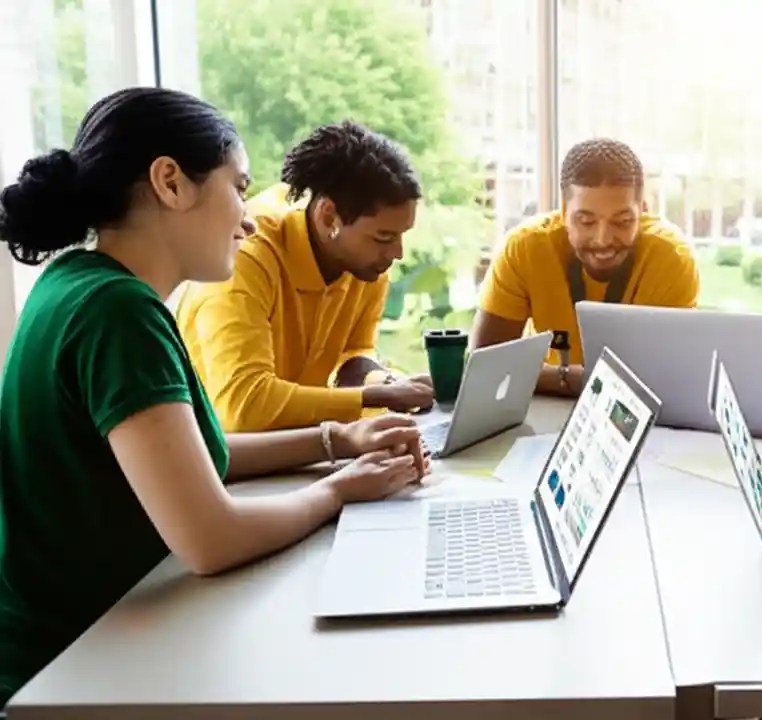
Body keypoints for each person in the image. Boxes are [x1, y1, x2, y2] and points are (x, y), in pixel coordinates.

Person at [0, 88, 428, 705]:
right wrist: (337, 490)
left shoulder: (78, 283)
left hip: (96, 640)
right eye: (238, 186)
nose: (250, 217)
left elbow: (190, 456)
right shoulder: (117, 313)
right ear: (170, 182)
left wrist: (336, 441)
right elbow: (211, 539)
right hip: (72, 667)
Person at [174, 121, 434, 432]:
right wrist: (373, 395)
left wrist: (391, 384)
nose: (397, 253)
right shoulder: (245, 255)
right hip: (221, 459)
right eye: (383, 237)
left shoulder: (366, 265)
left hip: (296, 447)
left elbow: (353, 353)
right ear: (328, 216)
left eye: (402, 235)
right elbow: (244, 405)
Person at [469, 138, 699, 396]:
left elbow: (667, 383)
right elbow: (483, 366)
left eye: (622, 221)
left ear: (642, 211)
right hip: (546, 409)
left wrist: (545, 376)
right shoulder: (525, 247)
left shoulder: (671, 257)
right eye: (586, 221)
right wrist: (570, 378)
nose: (602, 240)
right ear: (564, 211)